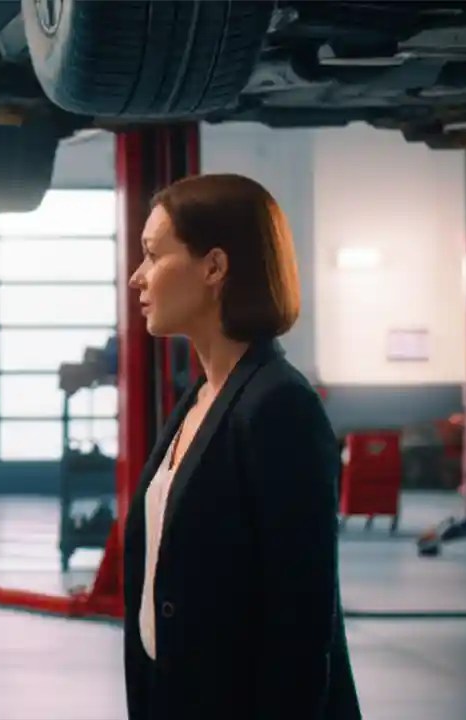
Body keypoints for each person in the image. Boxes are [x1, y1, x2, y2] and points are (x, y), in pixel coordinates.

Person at [121, 173, 361, 719]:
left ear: (214, 267)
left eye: (153, 256)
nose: (138, 277)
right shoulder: (200, 399)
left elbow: (301, 621)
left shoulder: (279, 406)